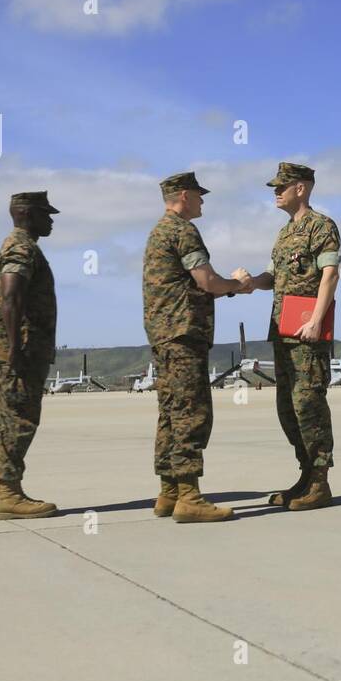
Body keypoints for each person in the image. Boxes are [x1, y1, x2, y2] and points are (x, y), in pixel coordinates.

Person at [143, 172, 251, 523]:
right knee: (191, 411)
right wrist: (239, 284)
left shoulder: (158, 232)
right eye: (199, 196)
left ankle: (169, 491)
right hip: (184, 334)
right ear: (185, 196)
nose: (203, 201)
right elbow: (207, 281)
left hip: (164, 336)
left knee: (170, 413)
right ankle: (189, 496)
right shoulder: (181, 230)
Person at [238, 163, 341, 509]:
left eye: (281, 186)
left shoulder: (321, 226)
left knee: (308, 404)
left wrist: (315, 320)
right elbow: (274, 275)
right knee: (288, 409)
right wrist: (253, 282)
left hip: (307, 335)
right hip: (282, 333)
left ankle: (320, 482)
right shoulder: (284, 234)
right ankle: (305, 475)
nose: (275, 192)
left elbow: (330, 275)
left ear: (301, 188)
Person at [0, 191, 60, 519]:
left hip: (17, 347)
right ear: (29, 215)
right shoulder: (21, 247)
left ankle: (6, 491)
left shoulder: (12, 246)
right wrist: (15, 347)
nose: (51, 220)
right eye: (46, 214)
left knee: (11, 418)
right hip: (23, 350)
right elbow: (10, 296)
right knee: (19, 419)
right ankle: (7, 494)